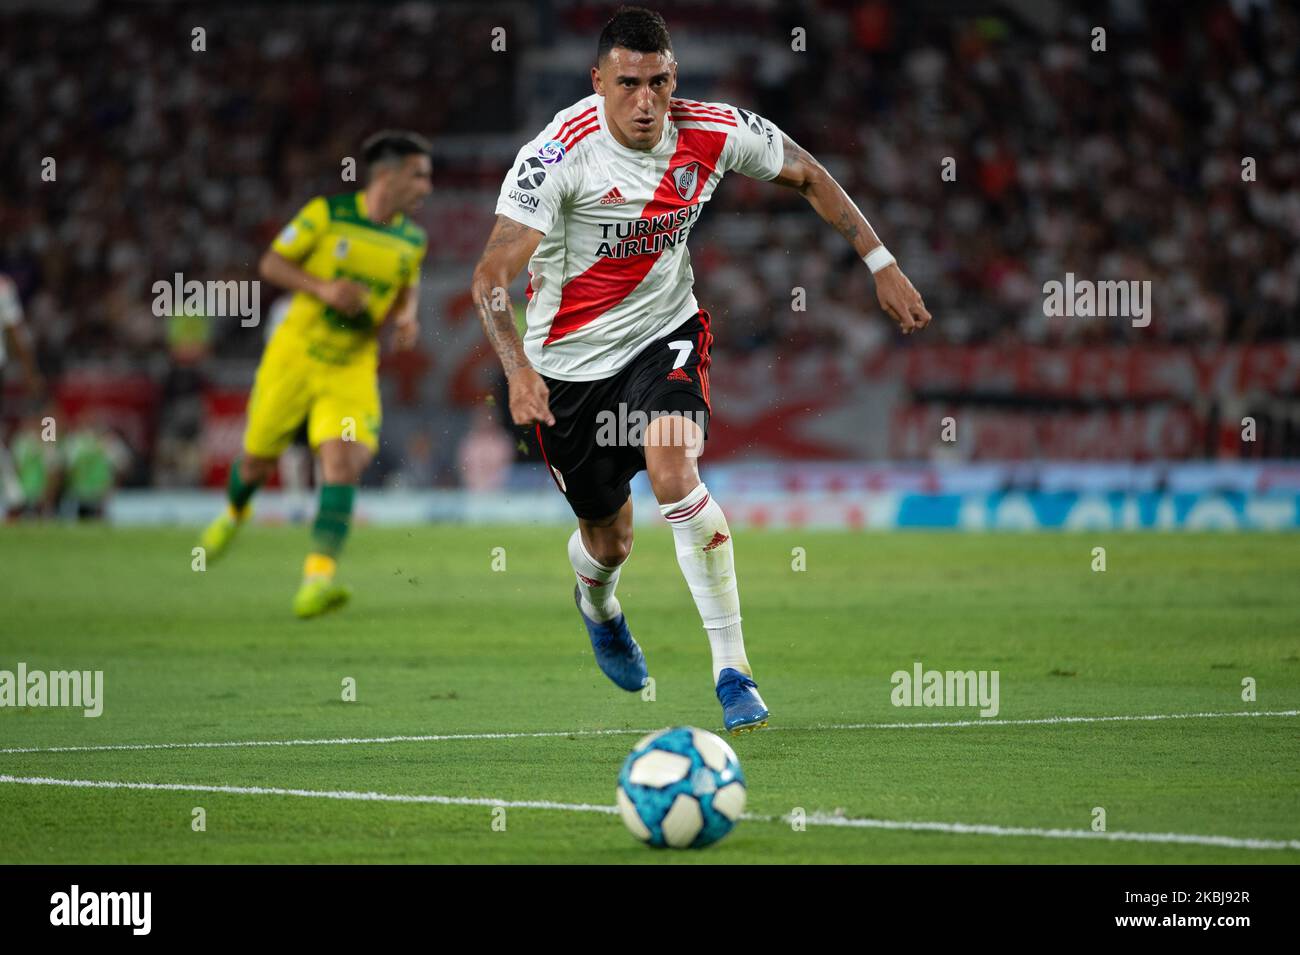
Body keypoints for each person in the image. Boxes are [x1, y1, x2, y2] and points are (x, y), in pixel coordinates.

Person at [470, 7, 931, 732]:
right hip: (566, 369)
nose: (646, 100)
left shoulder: (714, 130)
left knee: (675, 472)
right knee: (608, 538)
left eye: (659, 81)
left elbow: (809, 173)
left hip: (664, 334)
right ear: (598, 81)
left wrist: (882, 262)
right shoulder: (557, 154)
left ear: (674, 76)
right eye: (628, 83)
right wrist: (518, 368)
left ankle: (734, 671)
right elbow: (491, 275)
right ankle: (601, 607)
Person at [198, 131, 432, 617]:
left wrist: (408, 317)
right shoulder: (327, 215)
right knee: (259, 464)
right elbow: (272, 263)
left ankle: (316, 580)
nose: (427, 187)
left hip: (351, 366)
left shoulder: (412, 240)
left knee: (342, 464)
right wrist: (323, 288)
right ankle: (235, 511)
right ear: (386, 176)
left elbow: (407, 286)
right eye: (419, 176)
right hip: (295, 357)